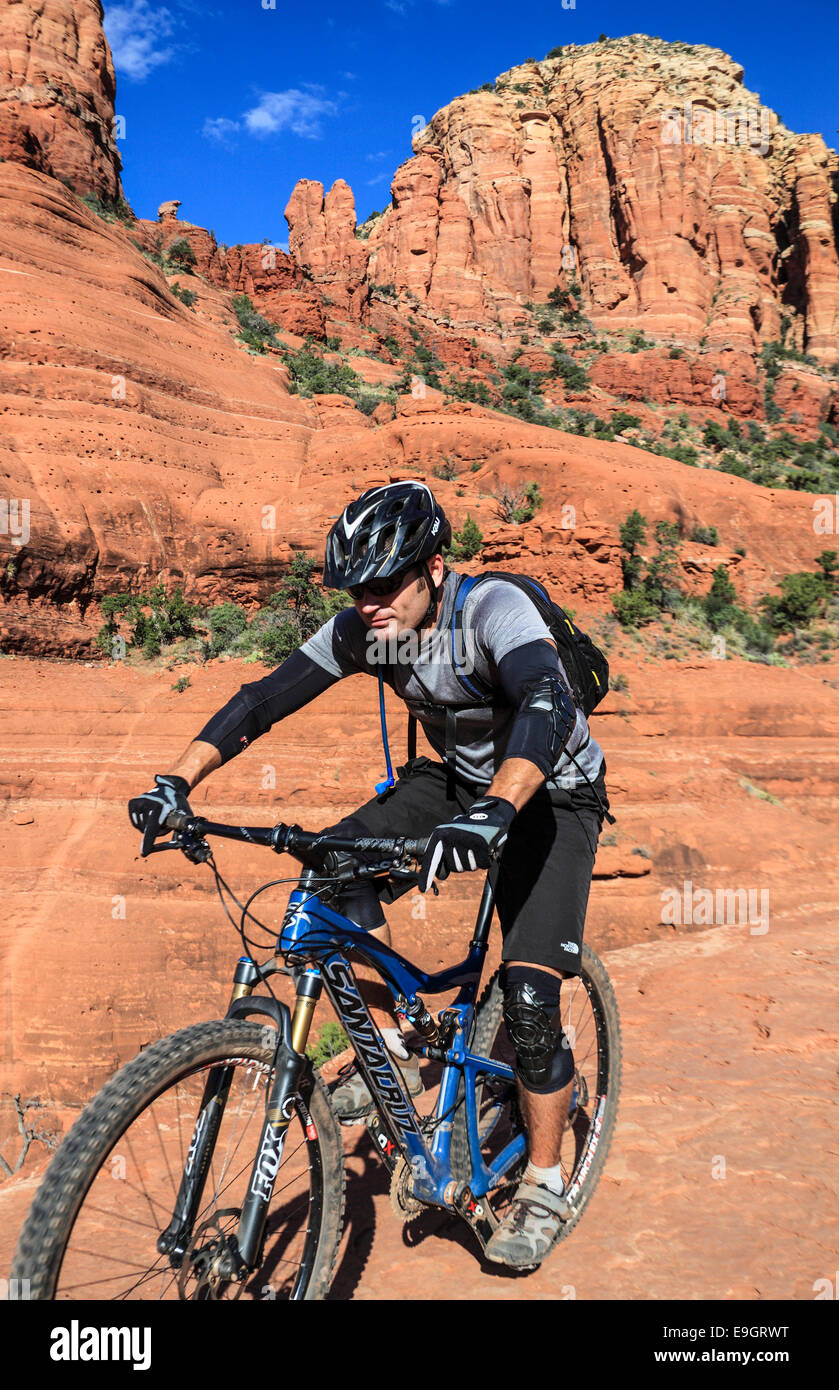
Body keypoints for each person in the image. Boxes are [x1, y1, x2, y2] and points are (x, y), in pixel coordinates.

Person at [128, 479, 610, 1269]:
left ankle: (546, 1184)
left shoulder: (492, 609)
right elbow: (261, 701)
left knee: (527, 1000)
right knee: (329, 868)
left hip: (552, 791)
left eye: (385, 585)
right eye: (357, 590)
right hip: (456, 781)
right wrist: (174, 783)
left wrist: (499, 808)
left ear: (434, 568)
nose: (369, 604)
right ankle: (392, 1049)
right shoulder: (366, 630)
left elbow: (542, 700)